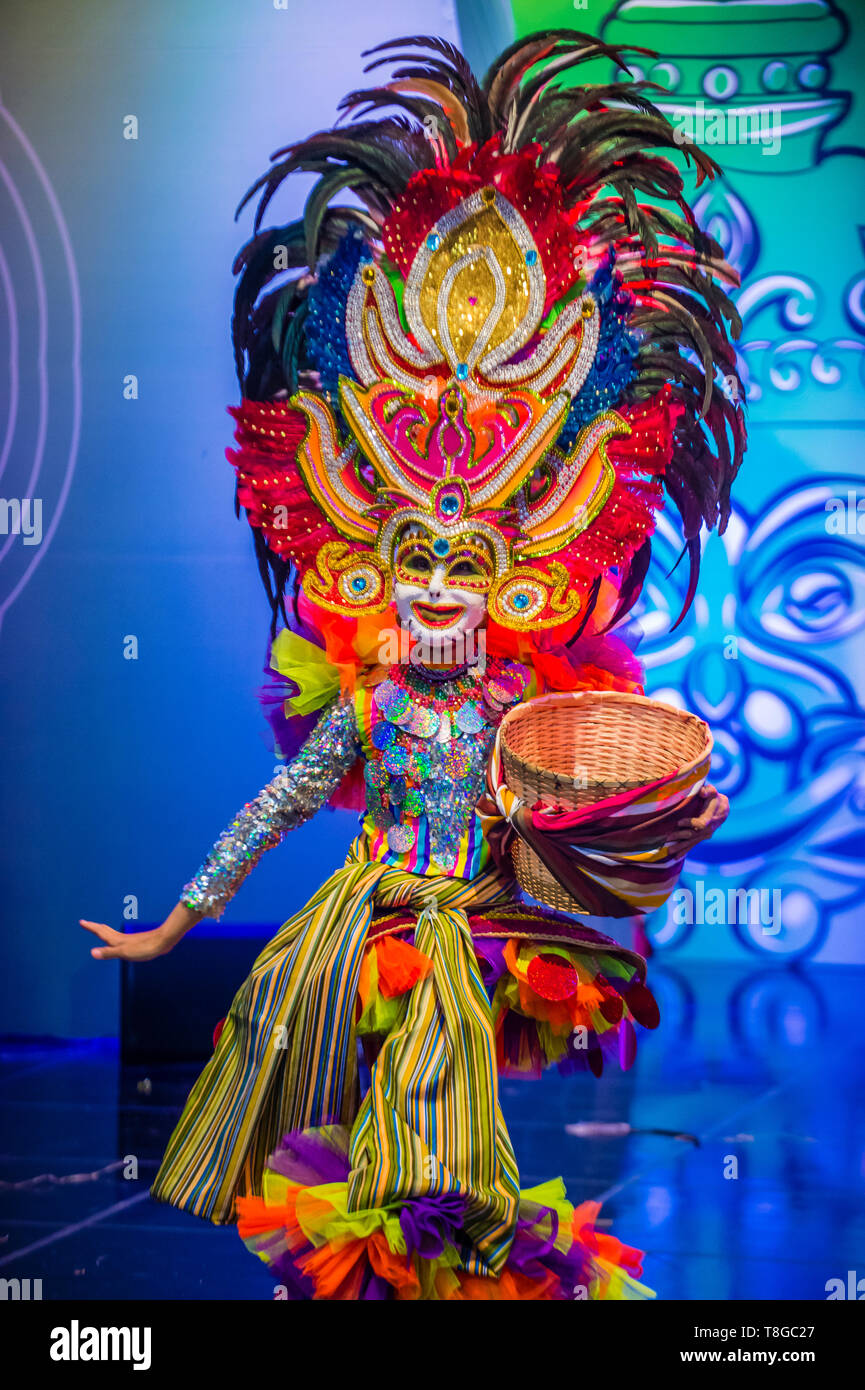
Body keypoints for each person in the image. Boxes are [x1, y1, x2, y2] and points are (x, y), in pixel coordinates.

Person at [81, 28, 744, 1300]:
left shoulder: (519, 709)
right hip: (357, 933)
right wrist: (177, 921)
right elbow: (280, 804)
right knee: (345, 1134)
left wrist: (657, 822)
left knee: (443, 1158)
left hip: (467, 941)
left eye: (464, 566)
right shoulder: (377, 701)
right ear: (368, 572)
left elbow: (581, 812)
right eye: (411, 563)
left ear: (515, 584)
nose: (436, 588)